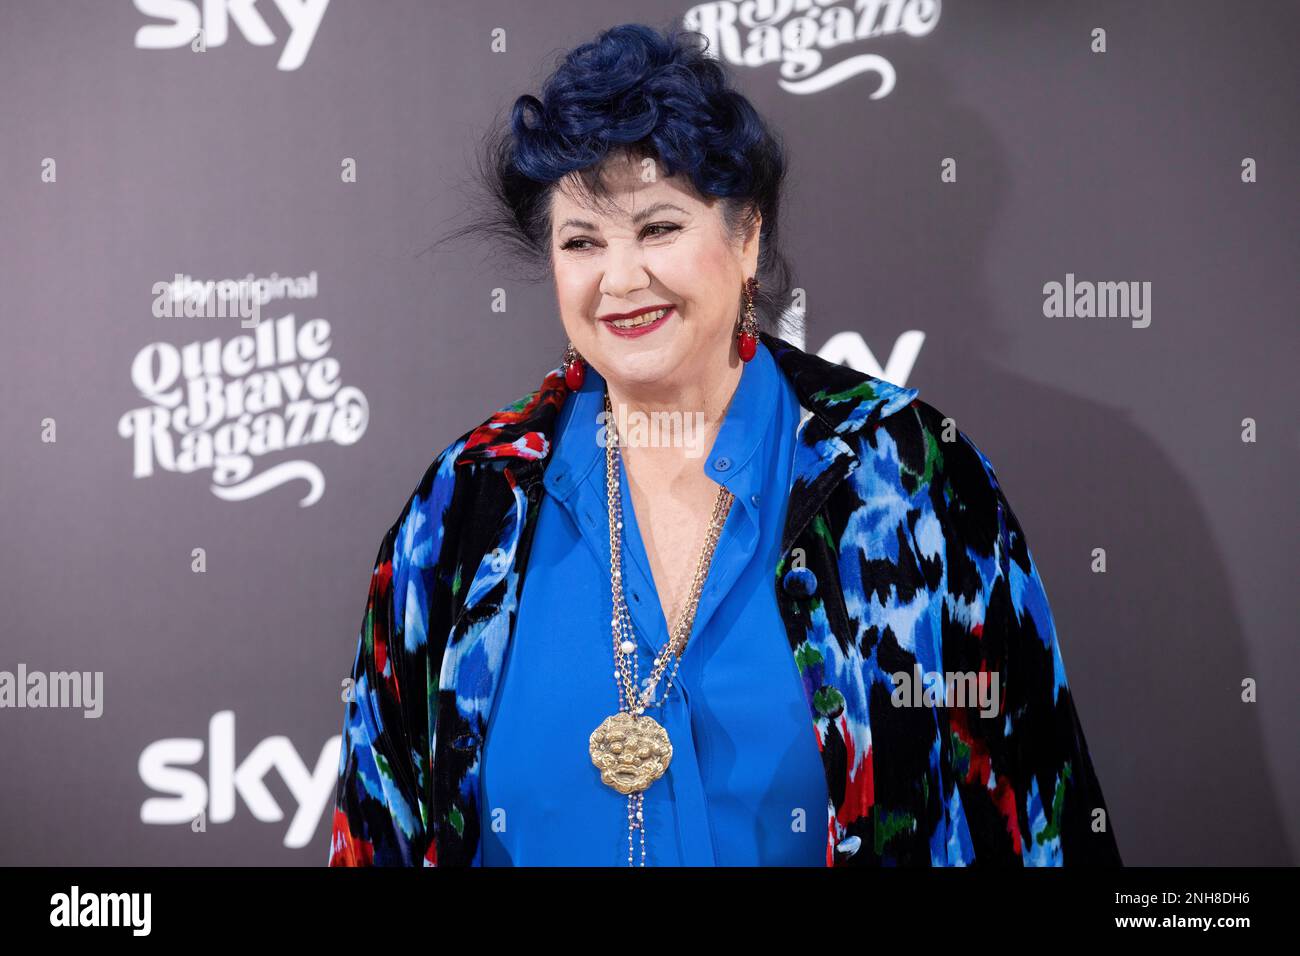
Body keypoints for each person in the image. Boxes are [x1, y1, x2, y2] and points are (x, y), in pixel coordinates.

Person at [327, 23, 1121, 867]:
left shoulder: (907, 475)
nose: (621, 278)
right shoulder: (464, 505)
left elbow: (1040, 820)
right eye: (582, 241)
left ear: (746, 240)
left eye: (659, 228)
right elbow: (378, 834)